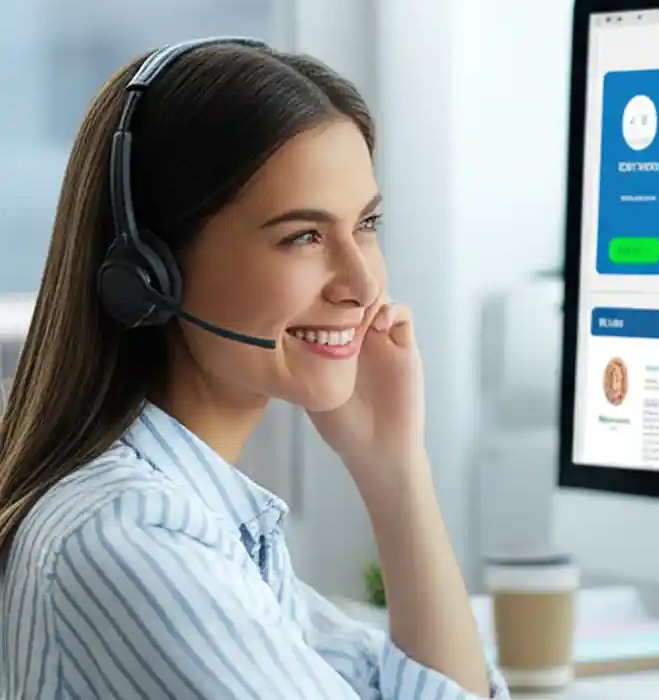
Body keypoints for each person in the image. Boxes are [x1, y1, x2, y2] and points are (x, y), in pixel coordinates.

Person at [0, 39, 508, 699]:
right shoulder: (132, 537)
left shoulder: (211, 525)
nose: (361, 283)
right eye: (304, 236)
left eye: (366, 225)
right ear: (150, 271)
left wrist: (396, 472)